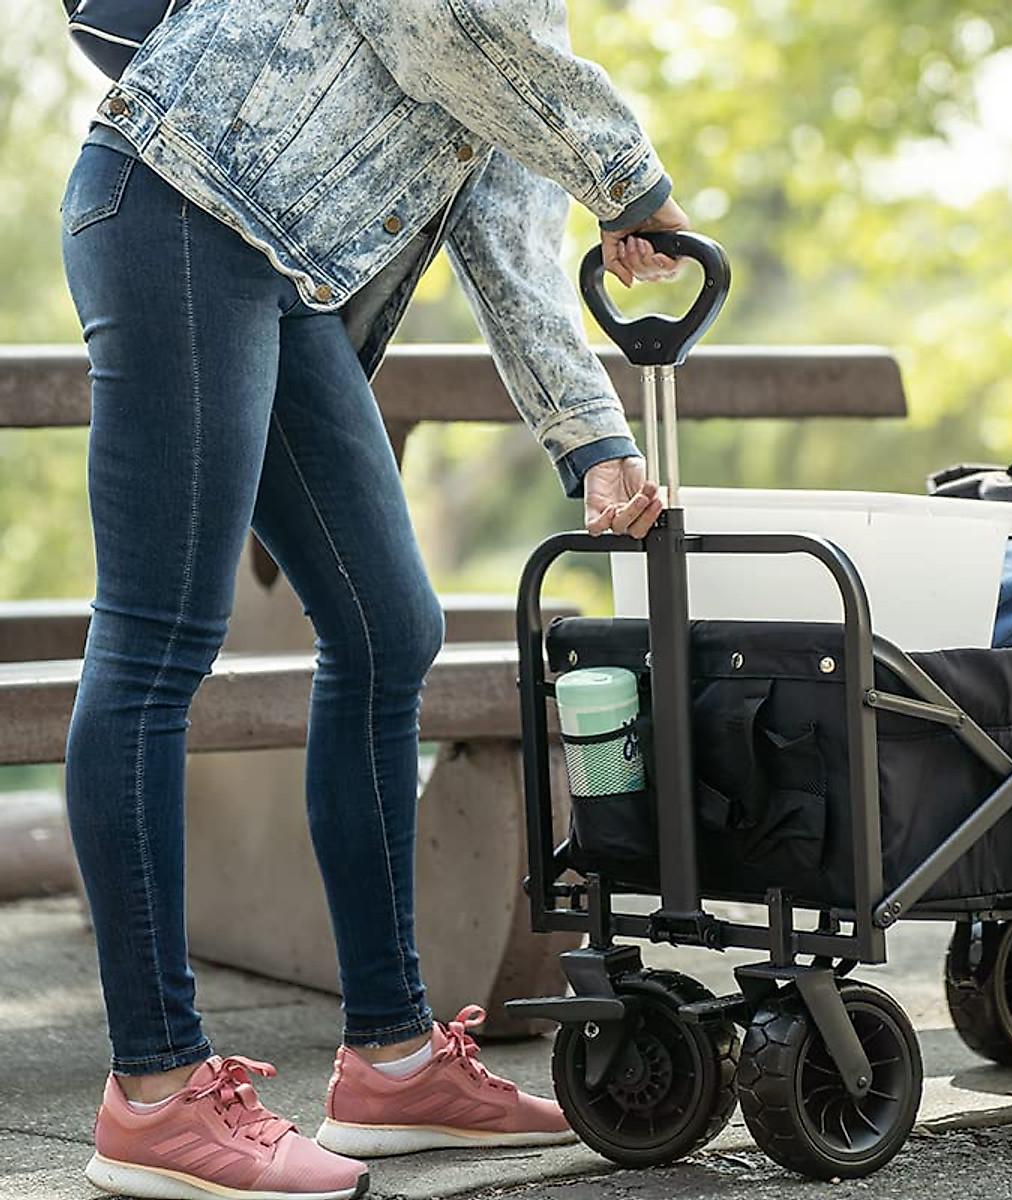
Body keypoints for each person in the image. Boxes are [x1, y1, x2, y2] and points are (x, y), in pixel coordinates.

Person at [58, 2, 689, 1197]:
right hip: (179, 204)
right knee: (155, 644)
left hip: (276, 267)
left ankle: (394, 1063)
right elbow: (435, 20)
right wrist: (629, 176)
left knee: (389, 626)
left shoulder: (532, 29)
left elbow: (506, 225)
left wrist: (595, 442)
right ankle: (154, 1092)